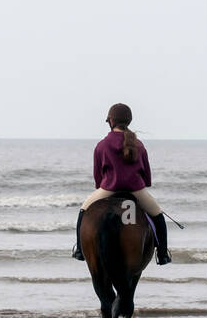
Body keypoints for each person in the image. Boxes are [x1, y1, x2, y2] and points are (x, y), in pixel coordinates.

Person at [72, 104, 171, 265]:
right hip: (135, 190)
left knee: (83, 210)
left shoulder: (102, 145)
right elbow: (146, 175)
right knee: (158, 215)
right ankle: (162, 254)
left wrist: (104, 185)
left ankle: (80, 250)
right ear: (128, 121)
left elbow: (98, 177)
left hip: (109, 189)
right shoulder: (138, 145)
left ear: (111, 121)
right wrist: (140, 184)